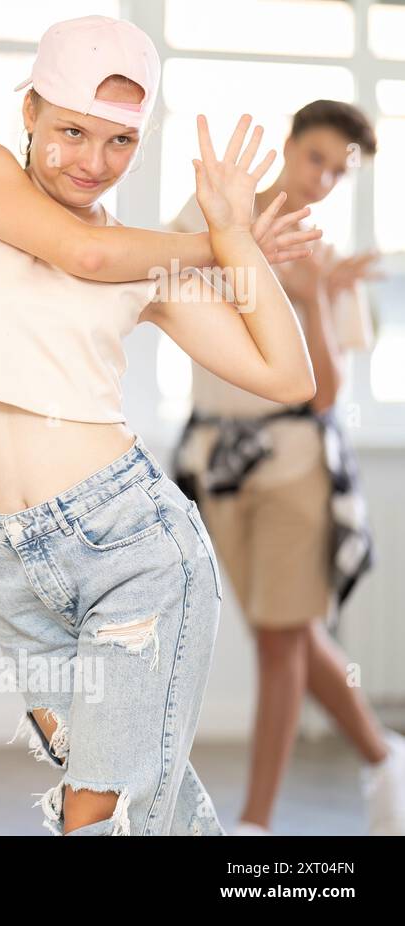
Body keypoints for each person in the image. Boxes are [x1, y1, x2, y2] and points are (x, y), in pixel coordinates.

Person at [0, 15, 323, 834]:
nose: (91, 163)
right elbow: (84, 255)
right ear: (30, 111)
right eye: (72, 130)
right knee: (155, 812)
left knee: (98, 816)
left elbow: (289, 376)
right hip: (6, 558)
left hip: (132, 546)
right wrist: (214, 242)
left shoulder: (149, 261)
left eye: (118, 143)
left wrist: (235, 239)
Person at [167, 100, 405, 836]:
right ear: (290, 144)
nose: (326, 179)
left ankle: (255, 828)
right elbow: (161, 290)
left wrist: (314, 300)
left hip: (296, 463)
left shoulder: (327, 262)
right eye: (318, 159)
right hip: (216, 462)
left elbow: (325, 393)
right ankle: (386, 759)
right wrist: (240, 253)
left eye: (341, 171)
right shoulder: (211, 215)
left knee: (280, 640)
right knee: (288, 631)